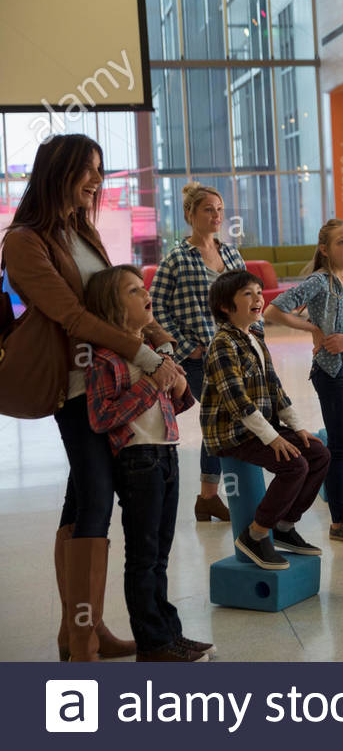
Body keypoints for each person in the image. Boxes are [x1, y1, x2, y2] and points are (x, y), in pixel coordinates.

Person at [2, 133, 181, 661]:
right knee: (97, 501)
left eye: (100, 170)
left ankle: (82, 629)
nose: (97, 182)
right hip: (72, 387)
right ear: (59, 170)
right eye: (88, 170)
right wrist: (147, 357)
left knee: (81, 498)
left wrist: (151, 333)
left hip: (104, 379)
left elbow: (107, 303)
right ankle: (82, 639)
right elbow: (73, 317)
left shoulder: (81, 230)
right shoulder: (24, 240)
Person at [83, 265, 211, 662]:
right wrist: (151, 382)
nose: (145, 294)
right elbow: (101, 417)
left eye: (144, 288)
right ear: (113, 305)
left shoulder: (153, 353)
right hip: (139, 460)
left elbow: (175, 405)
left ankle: (169, 633)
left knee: (160, 554)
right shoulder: (105, 358)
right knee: (143, 555)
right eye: (134, 291)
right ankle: (152, 643)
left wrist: (177, 384)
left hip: (166, 452)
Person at [265, 220, 343, 541]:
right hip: (333, 374)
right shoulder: (319, 281)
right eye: (341, 242)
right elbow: (273, 311)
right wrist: (313, 329)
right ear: (325, 249)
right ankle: (339, 521)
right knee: (338, 446)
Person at [202, 269, 329, 569]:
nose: (258, 298)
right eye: (248, 294)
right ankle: (255, 535)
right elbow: (237, 402)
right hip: (231, 433)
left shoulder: (255, 336)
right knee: (294, 466)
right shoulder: (222, 343)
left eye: (259, 292)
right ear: (224, 306)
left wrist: (296, 428)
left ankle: (284, 526)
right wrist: (274, 439)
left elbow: (275, 388)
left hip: (260, 428)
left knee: (319, 454)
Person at [149, 180, 248, 523]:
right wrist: (186, 348)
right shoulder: (175, 260)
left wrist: (253, 338)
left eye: (220, 210)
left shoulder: (232, 254)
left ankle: (208, 496)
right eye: (209, 209)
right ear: (190, 214)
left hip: (231, 353)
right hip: (196, 359)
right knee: (208, 421)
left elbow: (250, 299)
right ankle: (174, 488)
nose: (217, 215)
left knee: (220, 421)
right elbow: (156, 309)